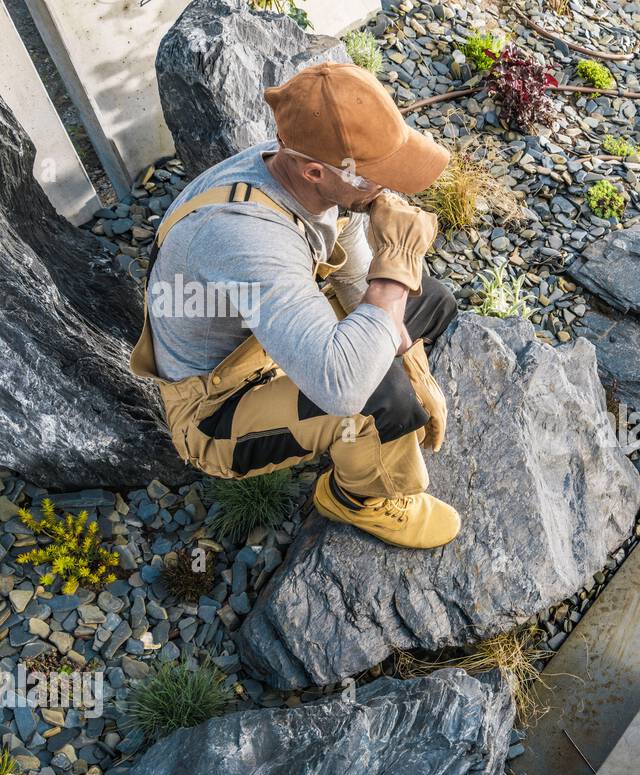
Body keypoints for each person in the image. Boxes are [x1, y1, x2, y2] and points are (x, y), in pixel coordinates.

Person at [131, 62, 460, 549]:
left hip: (266, 334)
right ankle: (359, 498)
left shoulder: (313, 177)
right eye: (375, 178)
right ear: (314, 171)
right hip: (219, 404)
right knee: (374, 399)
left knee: (430, 299)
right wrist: (398, 261)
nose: (387, 191)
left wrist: (416, 369)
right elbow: (344, 386)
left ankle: (374, 417)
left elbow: (352, 278)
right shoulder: (246, 233)